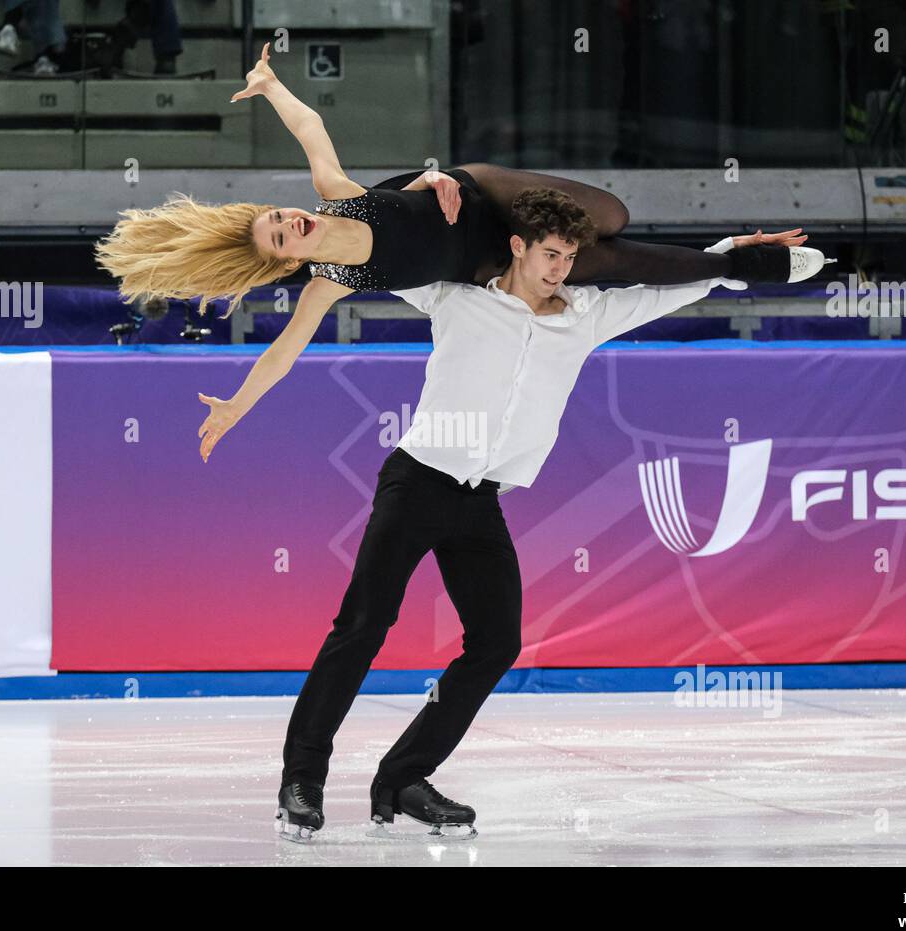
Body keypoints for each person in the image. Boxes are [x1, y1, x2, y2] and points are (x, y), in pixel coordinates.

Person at [248, 187, 804, 840]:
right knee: (364, 626)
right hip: (417, 483)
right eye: (549, 255)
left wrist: (732, 255)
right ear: (517, 246)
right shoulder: (453, 294)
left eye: (569, 257)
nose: (560, 269)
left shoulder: (587, 315)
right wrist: (414, 191)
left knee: (496, 643)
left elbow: (670, 288)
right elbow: (382, 253)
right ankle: (302, 780)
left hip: (480, 501)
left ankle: (402, 777)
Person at [94, 43, 827, 459]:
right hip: (491, 258)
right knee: (604, 261)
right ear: (285, 261)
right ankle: (733, 262)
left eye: (278, 216)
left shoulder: (337, 193)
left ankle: (727, 262)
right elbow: (281, 356)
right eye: (283, 236)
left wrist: (270, 84)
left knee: (610, 216)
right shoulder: (332, 280)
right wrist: (235, 407)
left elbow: (310, 127)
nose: (293, 223)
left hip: (484, 195)